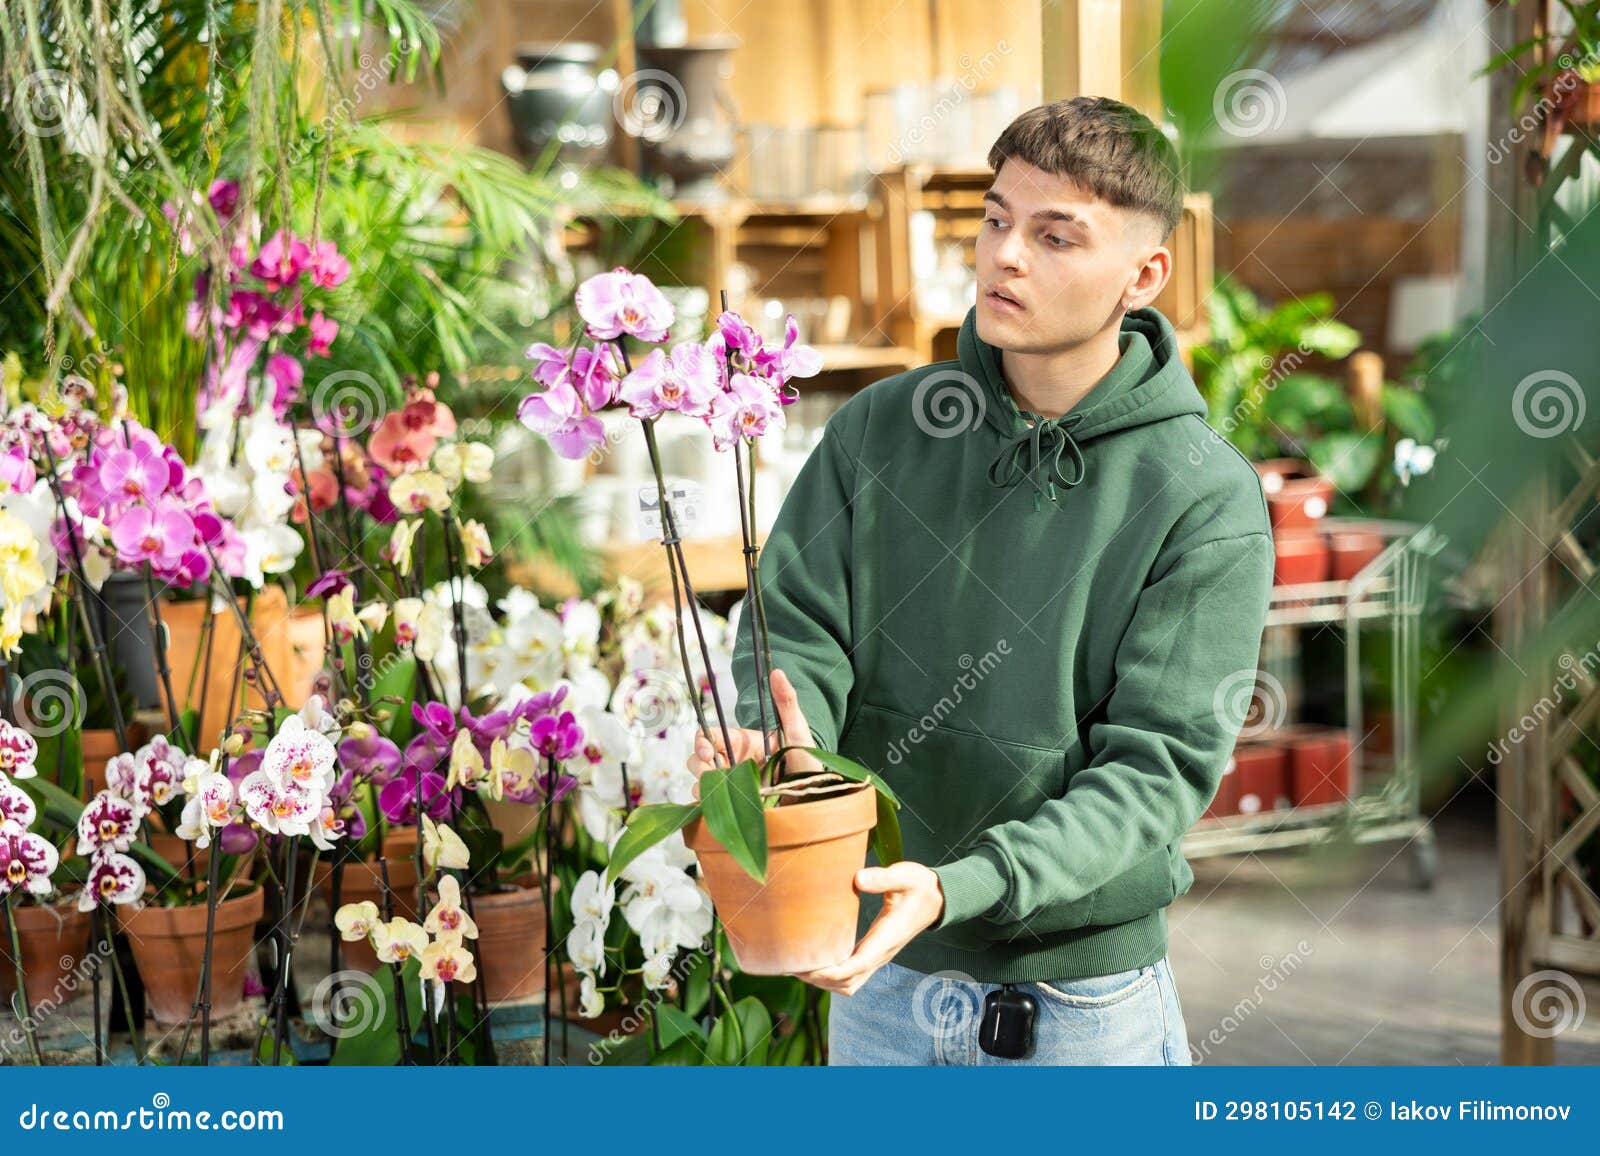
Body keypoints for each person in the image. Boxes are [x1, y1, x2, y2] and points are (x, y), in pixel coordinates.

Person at [689, 96, 1274, 1065]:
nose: (1004, 256)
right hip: (882, 993)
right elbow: (794, 628)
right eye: (995, 219)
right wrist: (784, 745)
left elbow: (1152, 773)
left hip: (1083, 1015)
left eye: (1055, 236)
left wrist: (960, 885)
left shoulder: (1202, 497)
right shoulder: (878, 432)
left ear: (1144, 274)